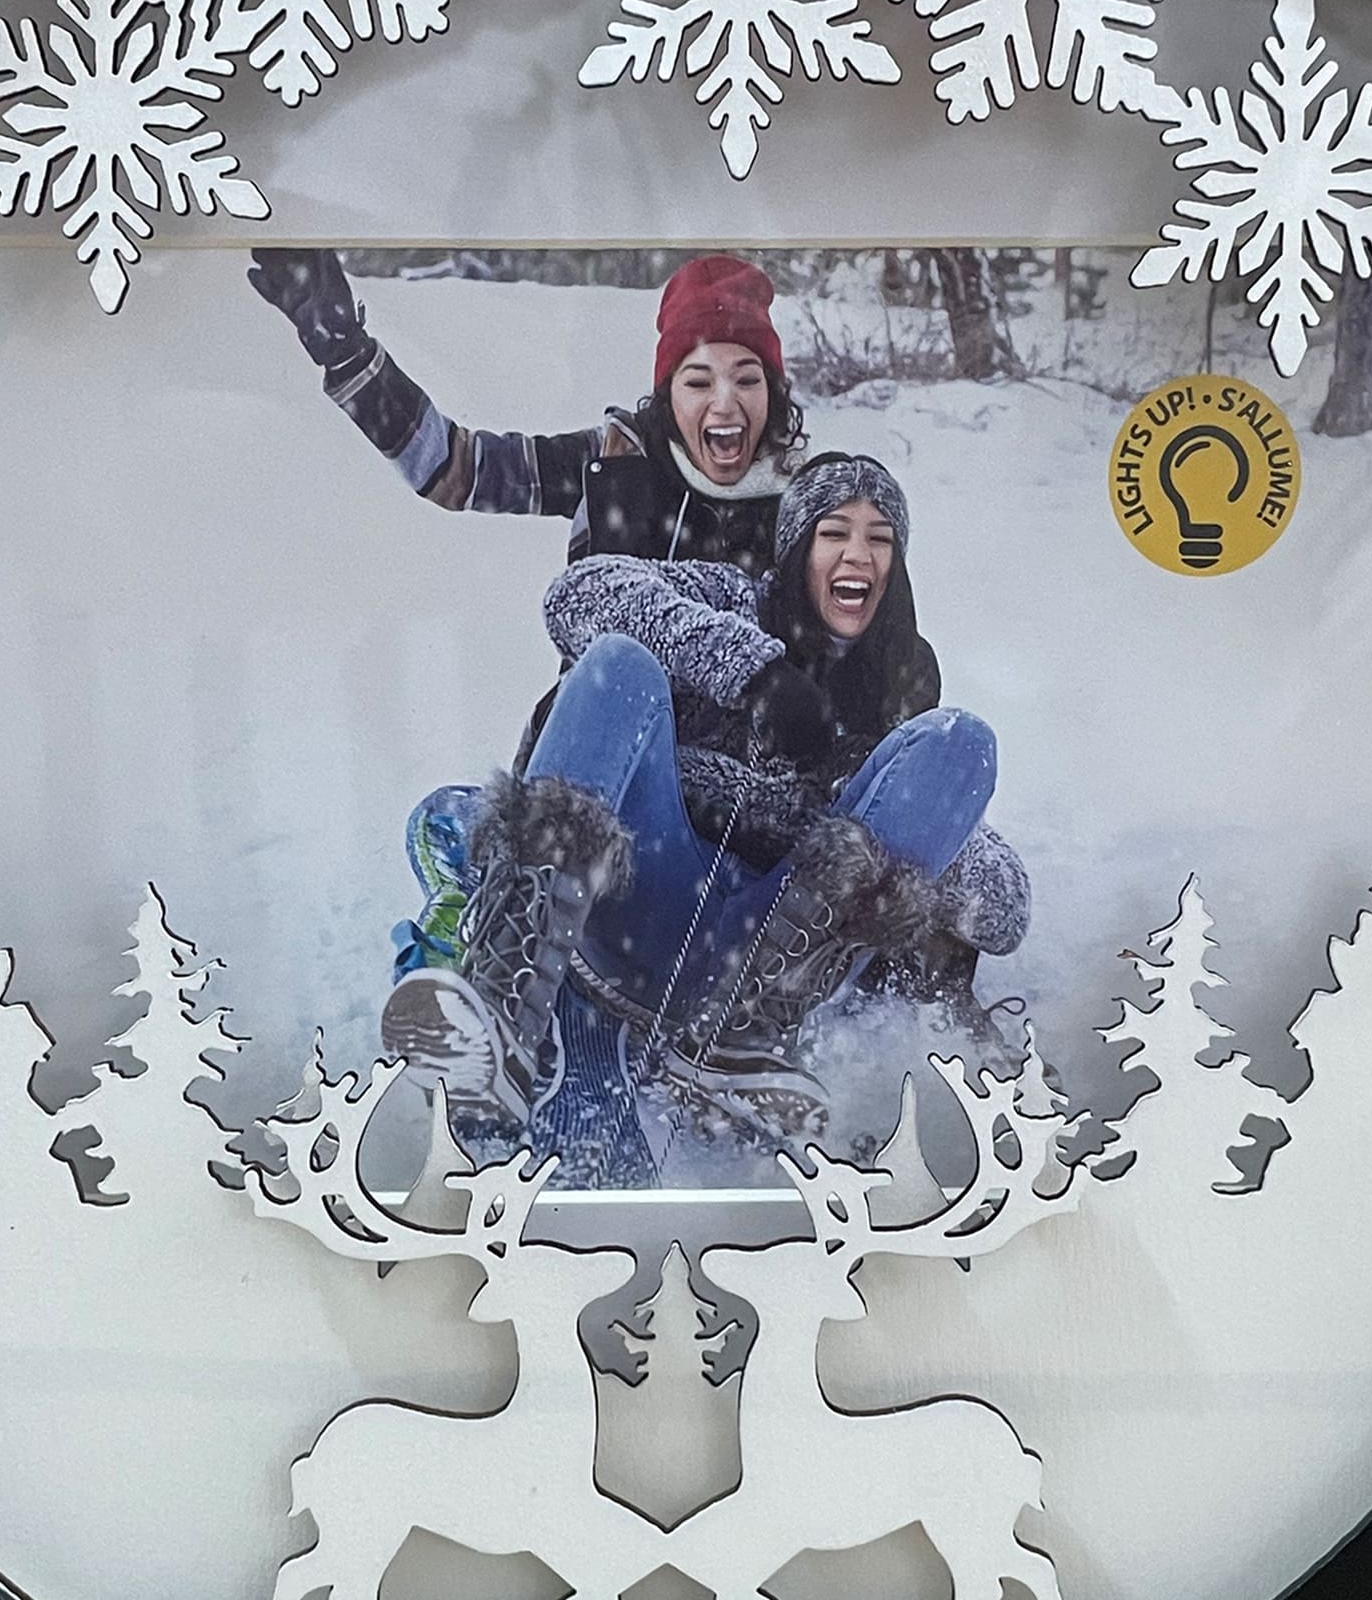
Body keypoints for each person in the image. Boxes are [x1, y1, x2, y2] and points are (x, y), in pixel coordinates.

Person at [382, 454, 1032, 1173]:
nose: (858, 554)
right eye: (834, 533)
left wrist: (868, 807)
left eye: (880, 538)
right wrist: (755, 674)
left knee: (964, 742)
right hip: (649, 902)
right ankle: (503, 1013)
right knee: (619, 665)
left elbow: (1006, 911)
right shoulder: (729, 599)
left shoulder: (904, 692)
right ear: (797, 547)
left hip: (764, 970)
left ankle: (732, 1046)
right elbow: (577, 594)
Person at [247, 246, 799, 567]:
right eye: (698, 382)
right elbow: (456, 469)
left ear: (771, 394)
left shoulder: (806, 503)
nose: (724, 402)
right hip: (607, 724)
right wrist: (349, 356)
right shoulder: (613, 462)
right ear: (668, 395)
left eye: (746, 379)